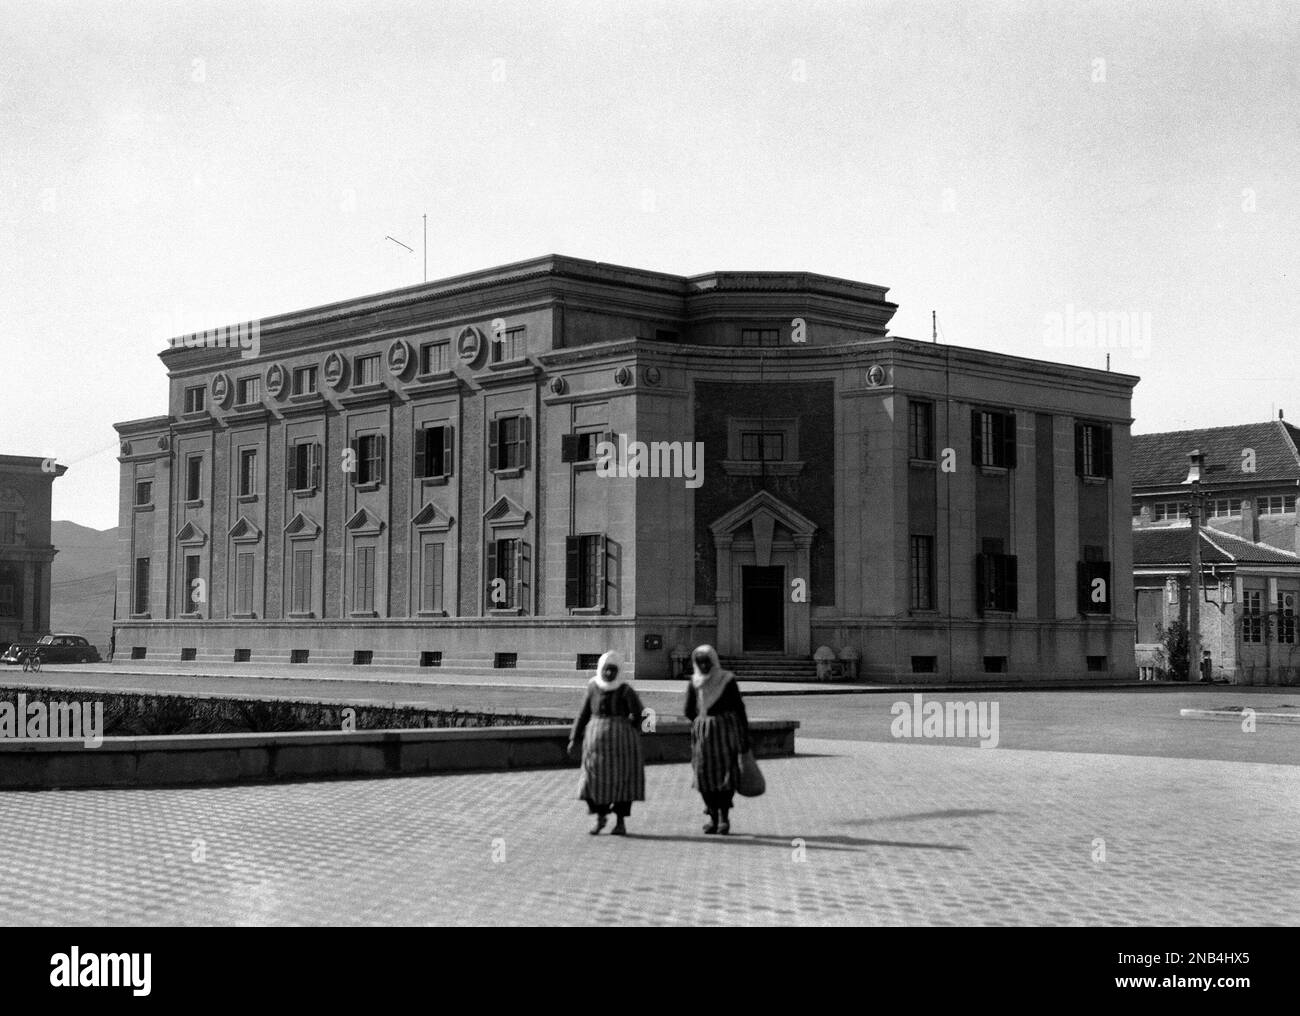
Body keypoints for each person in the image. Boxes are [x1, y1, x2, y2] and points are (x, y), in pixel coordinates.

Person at [567, 650, 646, 835]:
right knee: (592, 780)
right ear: (600, 669)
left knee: (623, 781)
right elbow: (583, 713)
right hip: (596, 745)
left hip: (623, 745)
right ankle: (600, 816)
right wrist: (574, 738)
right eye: (606, 670)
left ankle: (620, 822)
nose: (609, 674)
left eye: (613, 670)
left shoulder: (625, 690)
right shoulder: (593, 687)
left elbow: (641, 712)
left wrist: (634, 730)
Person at [684, 644, 751, 835]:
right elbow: (688, 710)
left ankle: (723, 817)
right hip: (704, 737)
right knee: (703, 775)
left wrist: (743, 734)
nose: (704, 665)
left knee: (726, 775)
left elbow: (739, 708)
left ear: (714, 661)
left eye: (707, 661)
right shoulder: (694, 683)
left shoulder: (726, 680)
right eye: (700, 662)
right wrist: (701, 723)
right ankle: (712, 816)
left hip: (725, 733)